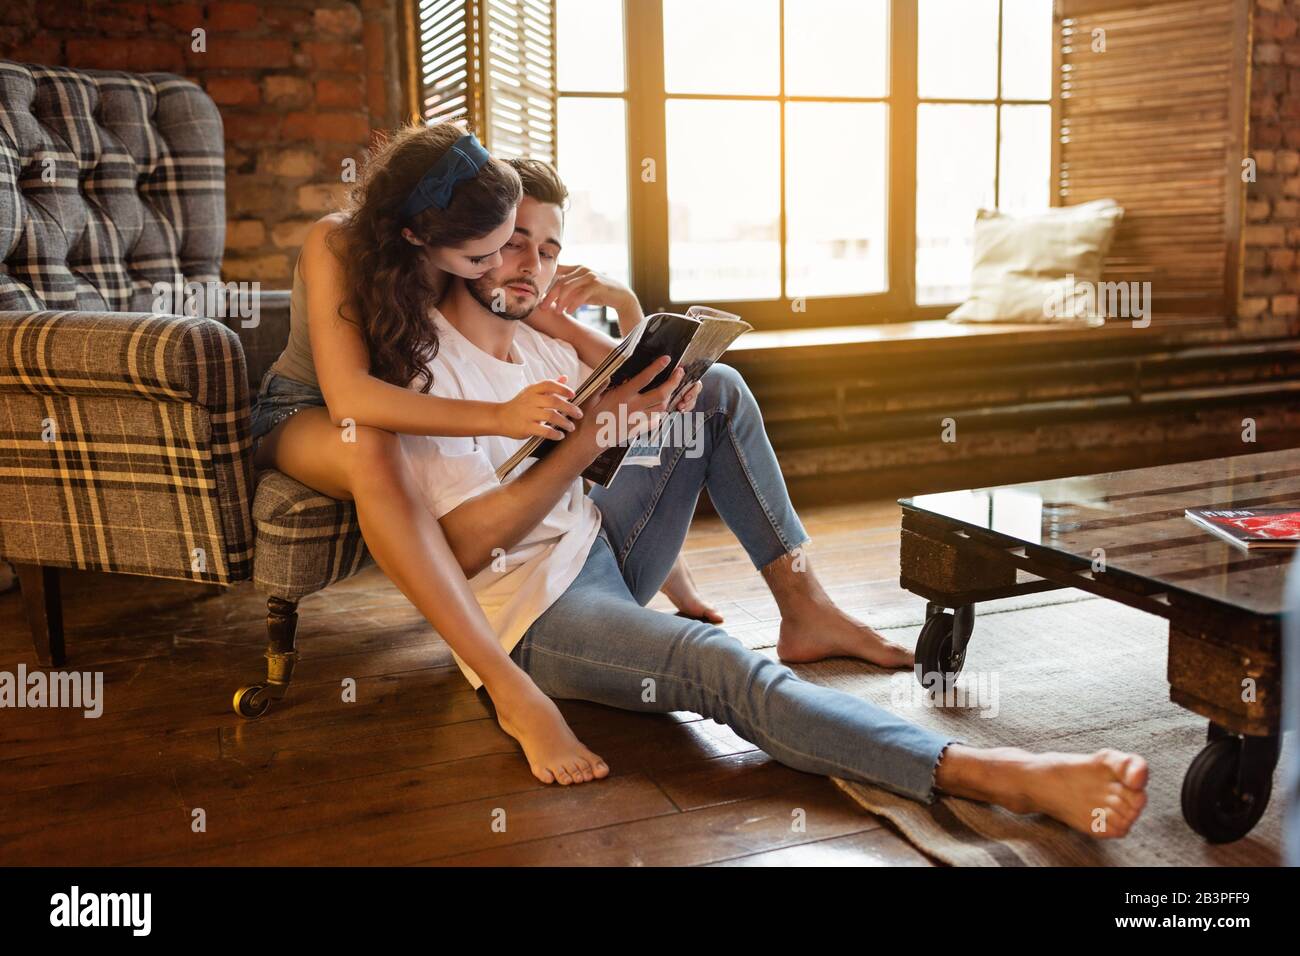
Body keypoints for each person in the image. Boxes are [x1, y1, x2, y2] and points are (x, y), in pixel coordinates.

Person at [399, 157, 1151, 839]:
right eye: (517, 243)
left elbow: (668, 392)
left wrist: (575, 315)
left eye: (551, 249)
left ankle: (805, 609)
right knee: (720, 663)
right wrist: (587, 442)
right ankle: (991, 773)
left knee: (717, 390)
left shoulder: (535, 339)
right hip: (535, 613)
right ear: (477, 243)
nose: (532, 265)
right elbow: (467, 549)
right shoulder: (429, 371)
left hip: (599, 545)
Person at [250, 124, 650, 786]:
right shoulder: (334, 242)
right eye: (480, 258)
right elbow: (350, 398)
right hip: (307, 410)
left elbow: (534, 313)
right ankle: (511, 690)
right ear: (416, 236)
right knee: (372, 447)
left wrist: (604, 321)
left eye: (509, 247)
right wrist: (497, 414)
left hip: (405, 403)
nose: (497, 266)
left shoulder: (460, 239)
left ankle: (576, 589)